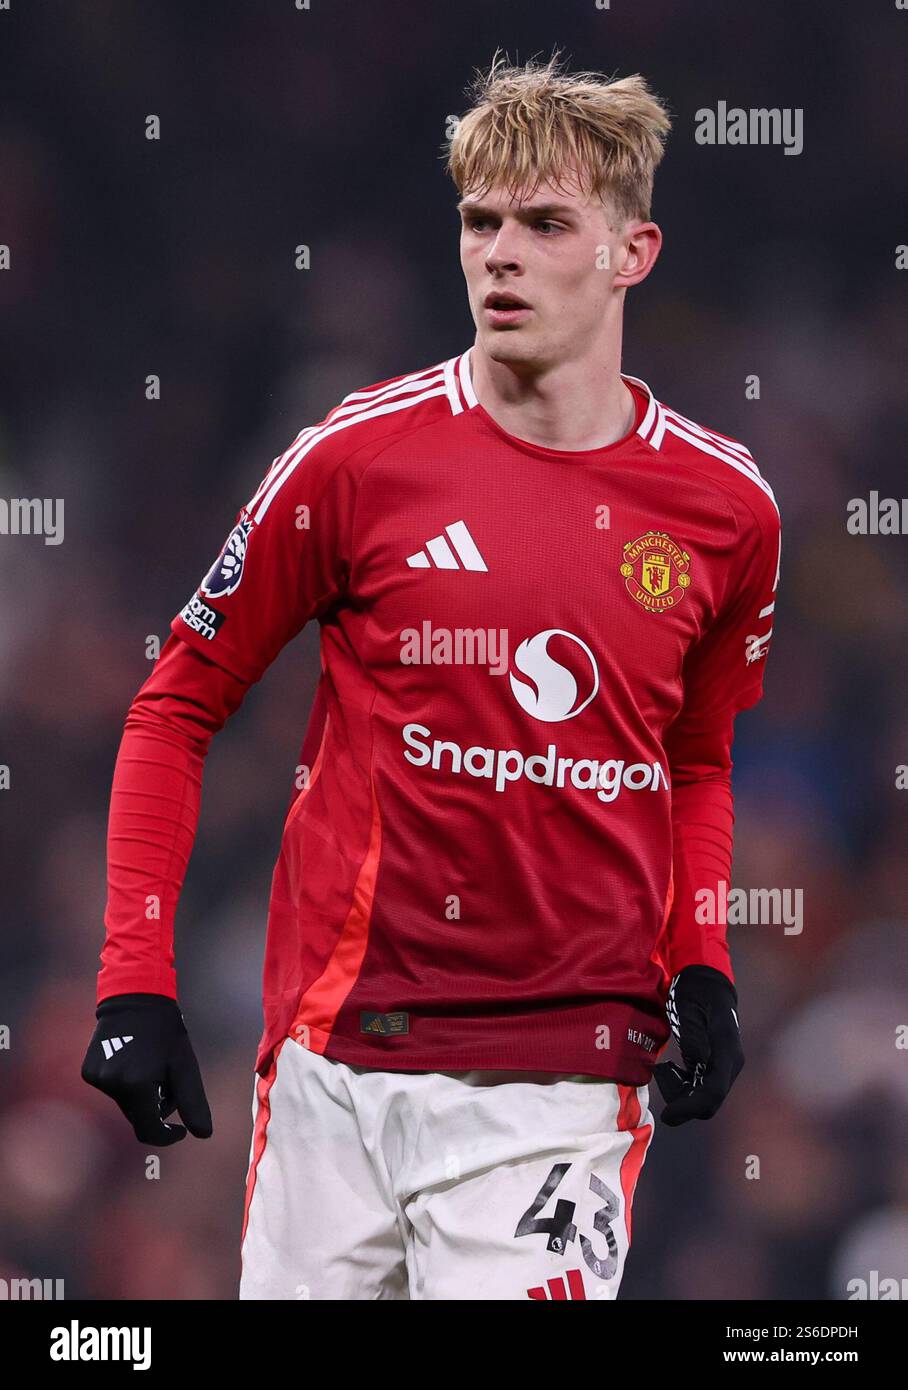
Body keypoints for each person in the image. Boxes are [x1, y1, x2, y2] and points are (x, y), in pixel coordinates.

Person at [82, 52, 781, 1301]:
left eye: (544, 223)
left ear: (632, 251)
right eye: (479, 221)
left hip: (561, 1083)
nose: (498, 253)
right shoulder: (350, 463)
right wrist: (136, 980)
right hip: (333, 1070)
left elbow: (695, 757)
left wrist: (703, 959)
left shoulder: (725, 509)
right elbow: (176, 699)